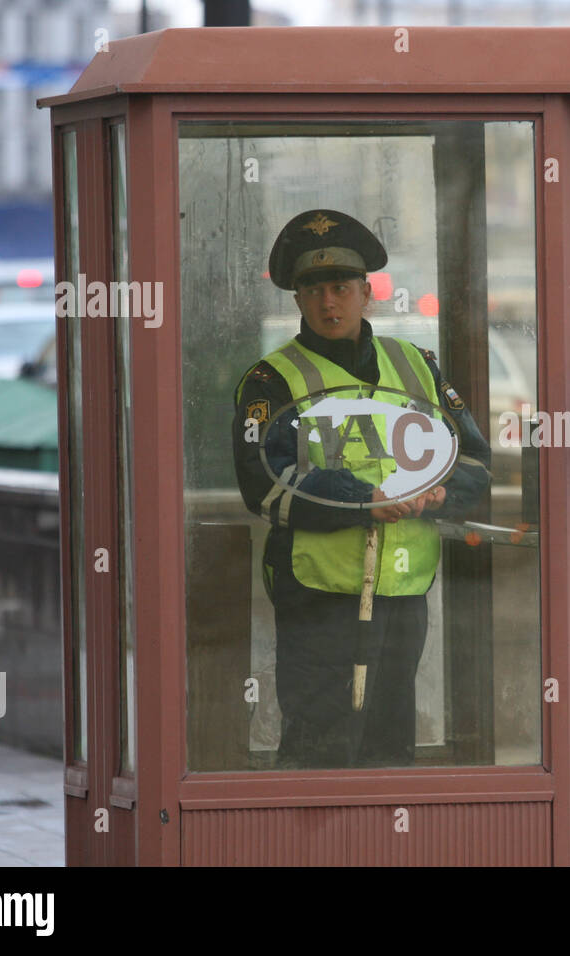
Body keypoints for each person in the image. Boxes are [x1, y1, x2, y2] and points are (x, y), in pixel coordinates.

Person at [231, 208, 491, 769]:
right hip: (318, 596)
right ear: (297, 300)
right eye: (315, 290)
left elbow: (473, 459)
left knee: (390, 745)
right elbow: (263, 484)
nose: (330, 303)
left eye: (342, 288)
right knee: (319, 747)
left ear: (366, 292)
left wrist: (441, 493)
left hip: (404, 594)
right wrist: (362, 501)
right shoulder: (272, 380)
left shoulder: (417, 365)